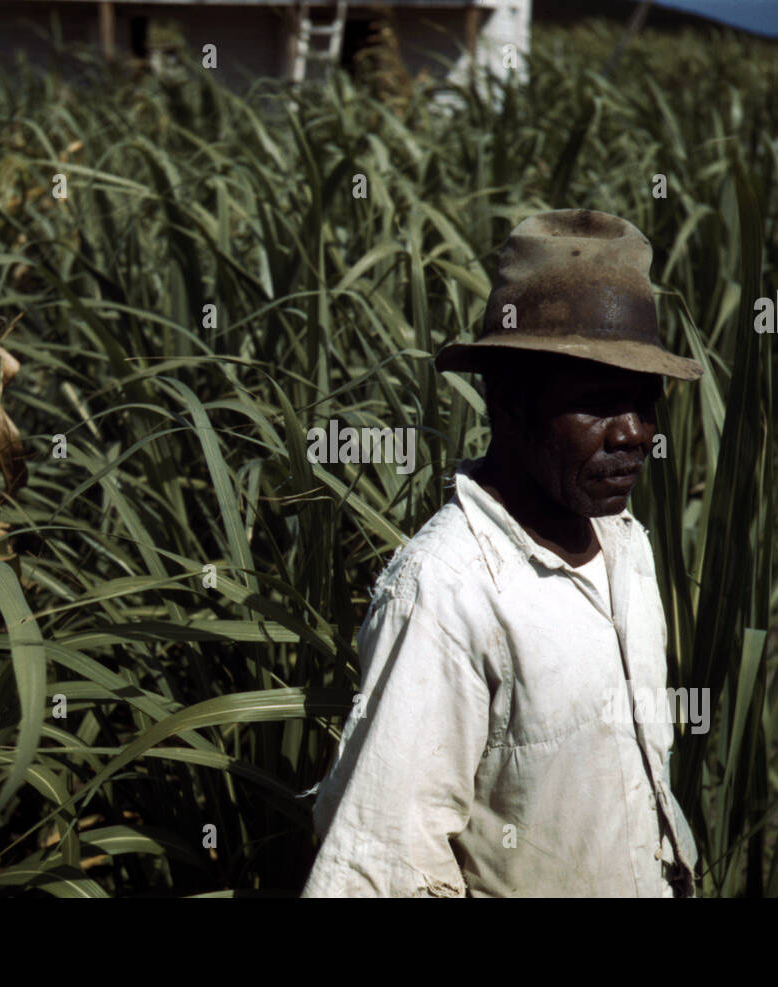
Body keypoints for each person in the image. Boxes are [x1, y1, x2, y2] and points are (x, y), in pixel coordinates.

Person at [301, 209, 705, 897]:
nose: (636, 432)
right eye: (600, 402)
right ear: (509, 401)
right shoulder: (449, 590)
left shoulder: (622, 540)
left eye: (646, 400)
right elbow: (384, 864)